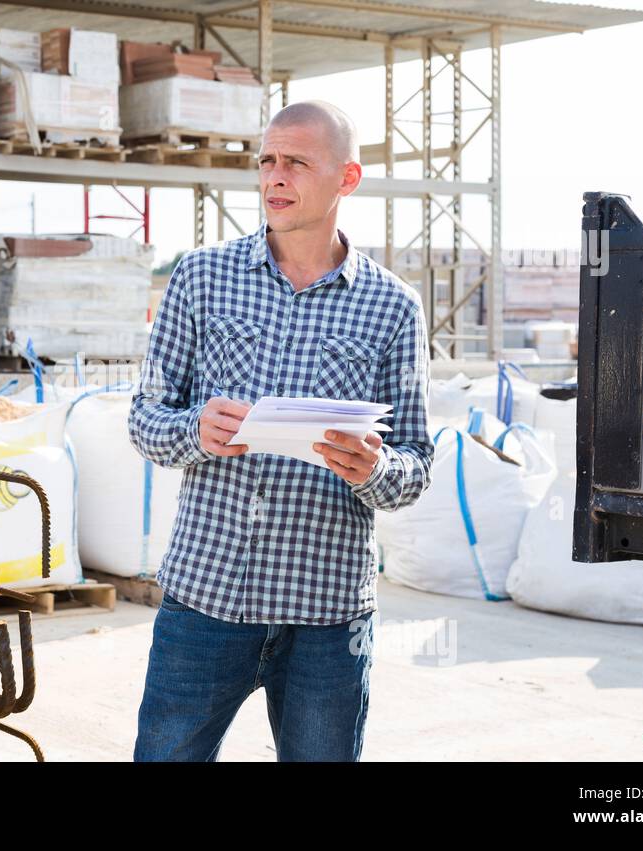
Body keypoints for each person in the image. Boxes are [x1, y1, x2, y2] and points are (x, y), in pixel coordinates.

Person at [129, 100, 433, 762]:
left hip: (327, 617)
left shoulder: (393, 308)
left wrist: (374, 469)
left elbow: (416, 462)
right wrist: (195, 430)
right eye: (267, 161)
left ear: (346, 179)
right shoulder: (201, 279)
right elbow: (145, 416)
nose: (275, 177)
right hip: (205, 601)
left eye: (296, 162)